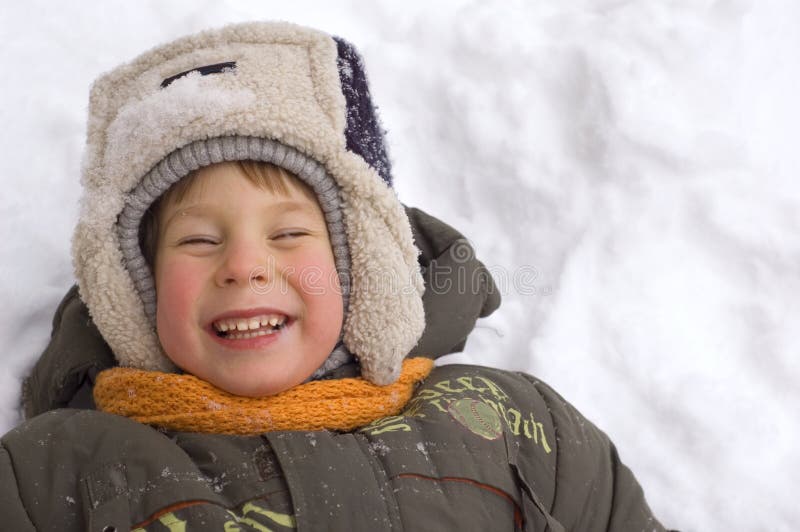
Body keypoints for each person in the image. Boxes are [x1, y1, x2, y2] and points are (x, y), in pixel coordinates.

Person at [0, 21, 669, 531]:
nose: (243, 266)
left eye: (289, 234)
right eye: (199, 240)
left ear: (364, 268)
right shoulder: (57, 471)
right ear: (133, 290)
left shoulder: (513, 425)